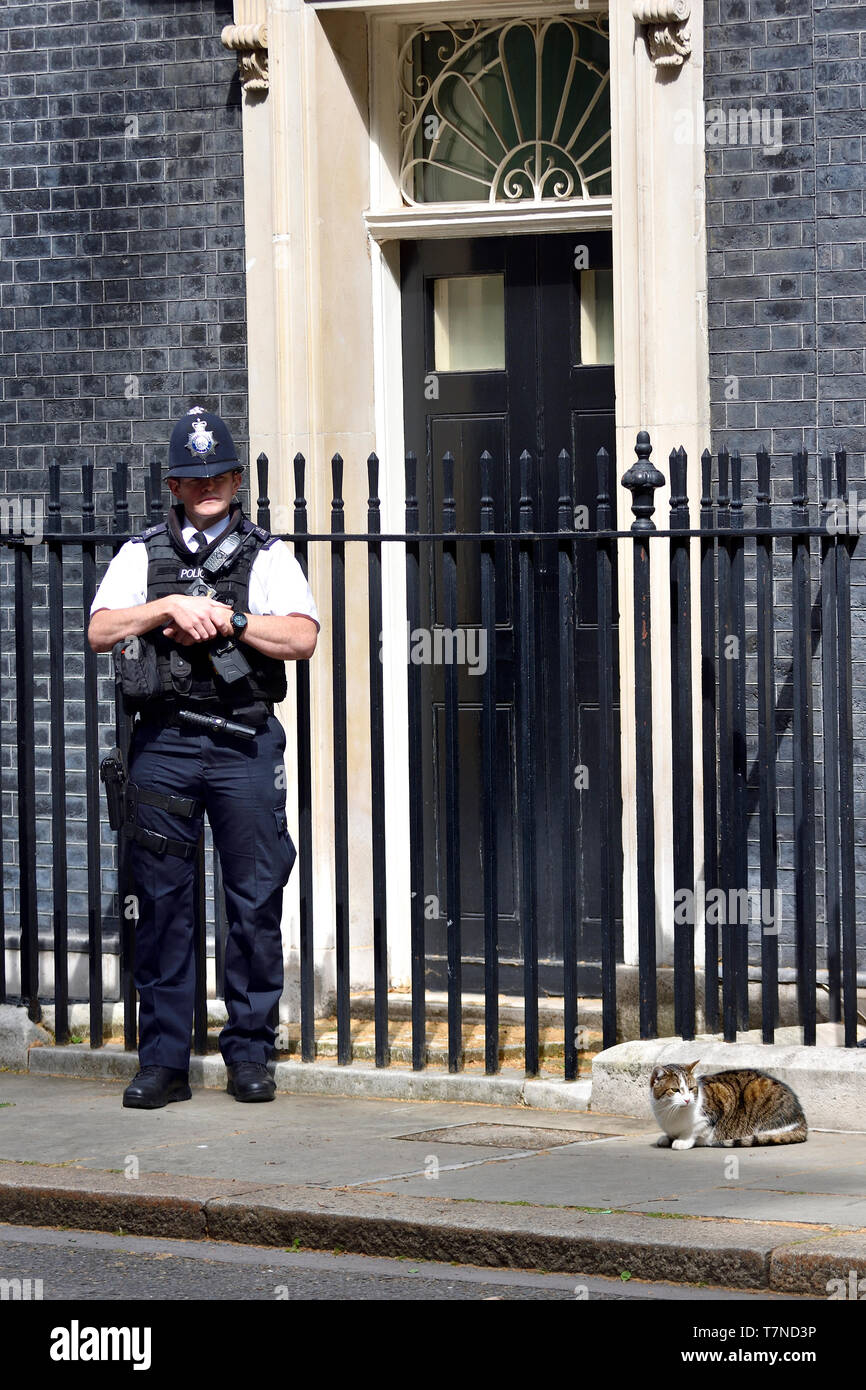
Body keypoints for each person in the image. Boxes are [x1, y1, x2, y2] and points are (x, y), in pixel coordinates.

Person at [88, 406, 319, 1108]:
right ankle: (163, 1062)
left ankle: (250, 1053)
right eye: (194, 478)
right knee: (161, 903)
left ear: (237, 479)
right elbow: (100, 629)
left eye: (219, 474)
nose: (208, 486)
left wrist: (235, 619)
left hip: (244, 741)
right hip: (163, 743)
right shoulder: (142, 553)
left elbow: (304, 638)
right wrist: (166, 609)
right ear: (174, 485)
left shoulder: (270, 555)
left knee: (253, 898)